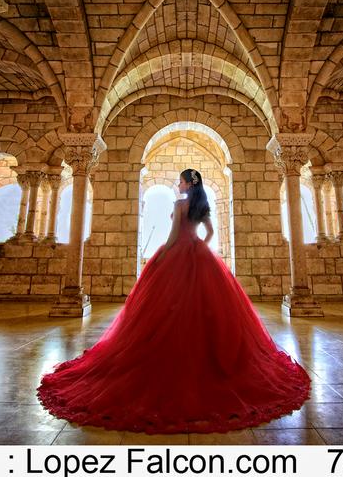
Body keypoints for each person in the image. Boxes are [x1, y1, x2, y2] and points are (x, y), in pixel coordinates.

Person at [37, 168, 310, 434]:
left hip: (177, 253)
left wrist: (164, 256)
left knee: (164, 310)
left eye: (180, 181)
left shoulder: (180, 205)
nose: (177, 185)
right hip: (197, 253)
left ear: (188, 184)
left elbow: (171, 237)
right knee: (205, 310)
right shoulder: (202, 206)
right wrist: (199, 245)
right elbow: (211, 233)